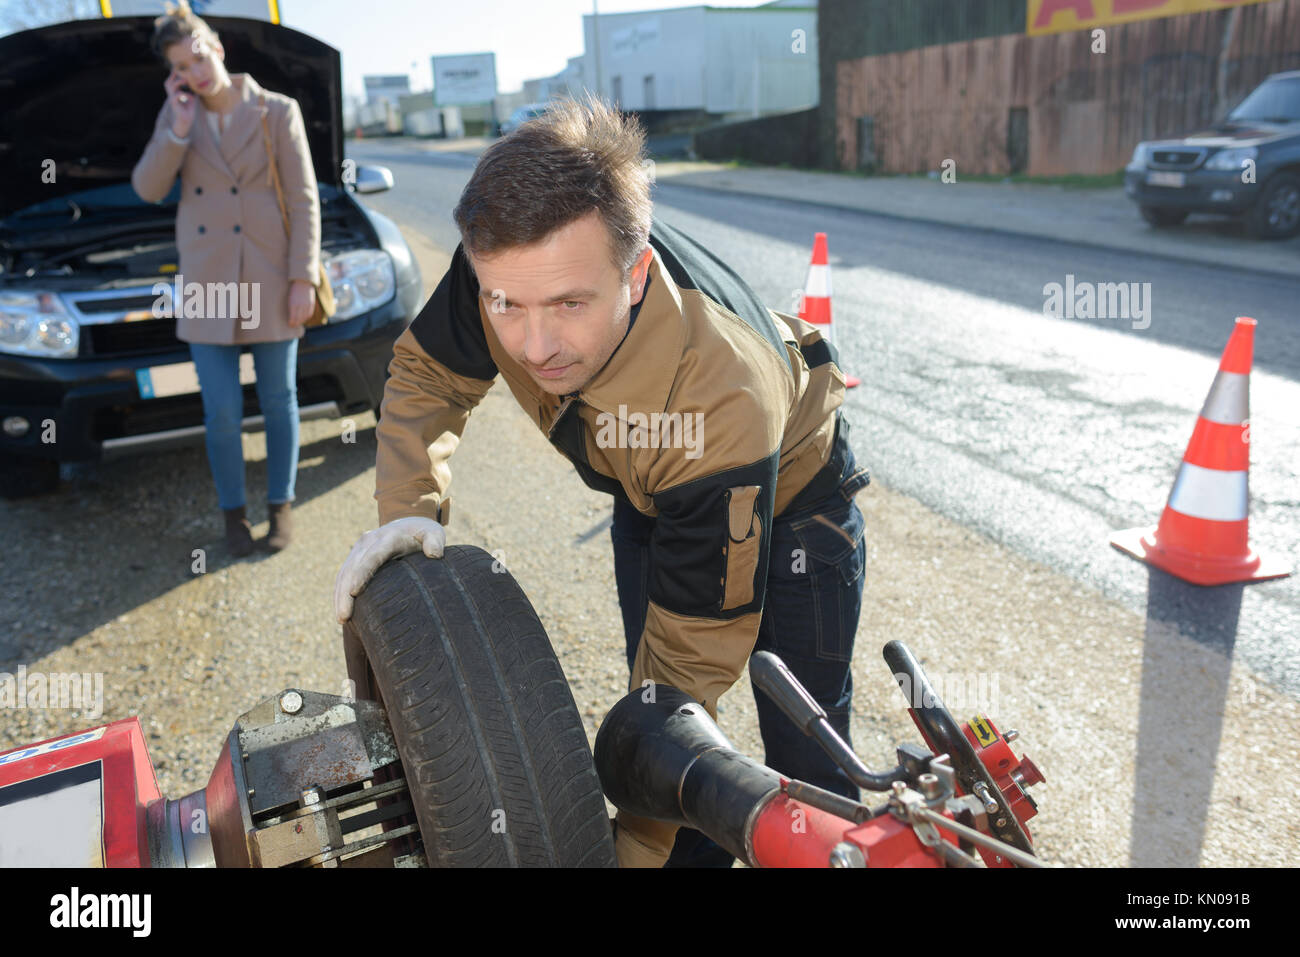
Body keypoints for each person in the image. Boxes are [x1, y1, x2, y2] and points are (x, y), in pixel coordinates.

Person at [333, 96, 870, 868]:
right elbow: (427, 374)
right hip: (657, 497)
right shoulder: (510, 262)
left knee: (806, 763)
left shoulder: (717, 397)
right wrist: (407, 511)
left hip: (790, 510)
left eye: (569, 305)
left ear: (636, 270)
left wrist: (629, 851)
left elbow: (688, 671)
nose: (533, 344)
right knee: (651, 709)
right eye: (505, 306)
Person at [131, 0, 319, 556]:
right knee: (220, 411)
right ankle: (233, 515)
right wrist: (180, 129)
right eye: (181, 68)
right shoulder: (177, 120)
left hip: (270, 275)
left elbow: (306, 201)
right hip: (209, 284)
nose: (194, 71)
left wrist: (302, 277)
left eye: (197, 55)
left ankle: (280, 507)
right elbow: (147, 187)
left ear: (216, 45)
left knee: (279, 399)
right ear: (174, 76)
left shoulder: (277, 110)